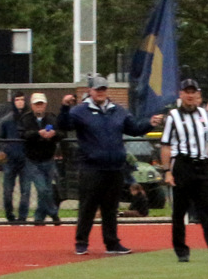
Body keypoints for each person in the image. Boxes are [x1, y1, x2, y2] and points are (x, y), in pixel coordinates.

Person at [59, 75, 162, 255]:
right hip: (92, 167)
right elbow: (64, 124)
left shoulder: (118, 111)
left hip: (114, 167)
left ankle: (112, 242)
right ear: (90, 91)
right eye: (97, 89)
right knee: (88, 206)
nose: (101, 92)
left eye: (103, 89)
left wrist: (149, 124)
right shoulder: (80, 111)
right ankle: (81, 241)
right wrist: (65, 107)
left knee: (110, 208)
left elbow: (134, 129)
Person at [160, 78, 208, 263]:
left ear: (198, 94)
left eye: (193, 92)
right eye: (186, 92)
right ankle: (181, 250)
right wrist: (167, 171)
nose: (190, 95)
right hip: (182, 165)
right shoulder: (173, 116)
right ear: (181, 94)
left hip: (202, 165)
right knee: (180, 211)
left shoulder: (204, 114)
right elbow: (165, 146)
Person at [19, 93, 63, 225]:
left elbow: (62, 133)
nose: (39, 107)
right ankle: (54, 212)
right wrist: (38, 134)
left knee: (47, 190)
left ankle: (39, 217)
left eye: (41, 104)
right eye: (36, 104)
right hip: (32, 159)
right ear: (32, 105)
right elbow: (22, 134)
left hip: (48, 158)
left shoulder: (52, 118)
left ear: (45, 105)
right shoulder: (26, 119)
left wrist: (53, 134)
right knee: (42, 188)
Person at [0, 92, 29, 222]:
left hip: (26, 160)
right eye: (17, 100)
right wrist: (6, 149)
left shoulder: (29, 119)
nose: (20, 102)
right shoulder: (6, 120)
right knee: (7, 191)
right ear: (13, 101)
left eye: (22, 99)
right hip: (10, 160)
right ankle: (10, 215)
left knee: (25, 191)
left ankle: (22, 217)